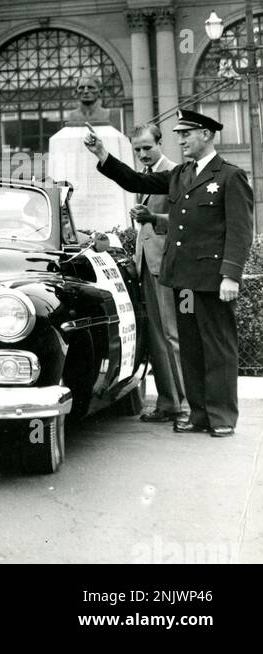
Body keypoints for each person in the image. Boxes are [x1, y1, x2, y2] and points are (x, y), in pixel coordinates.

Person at [85, 109, 254, 437]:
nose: (181, 140)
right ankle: (199, 414)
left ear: (206, 134)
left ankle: (221, 417)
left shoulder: (230, 176)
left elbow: (239, 230)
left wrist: (231, 275)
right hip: (183, 279)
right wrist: (103, 155)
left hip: (213, 280)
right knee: (190, 346)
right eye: (179, 134)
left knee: (217, 347)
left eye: (186, 134)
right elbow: (137, 180)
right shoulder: (181, 174)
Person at [124, 124, 188, 423]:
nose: (142, 154)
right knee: (158, 336)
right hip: (148, 264)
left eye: (147, 147)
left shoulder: (175, 173)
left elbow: (186, 219)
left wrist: (153, 218)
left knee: (171, 335)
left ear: (160, 143)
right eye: (137, 149)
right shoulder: (146, 178)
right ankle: (169, 402)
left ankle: (183, 404)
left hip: (166, 265)